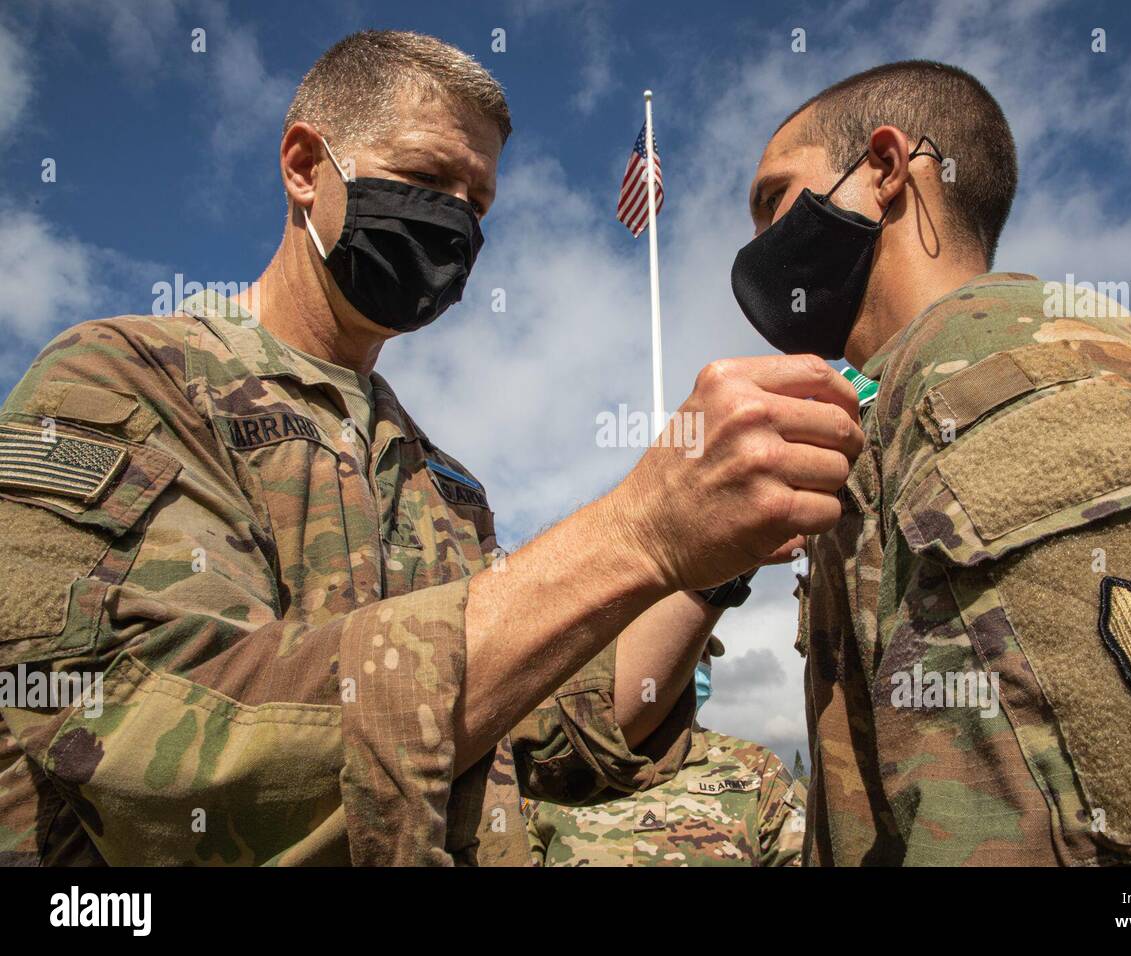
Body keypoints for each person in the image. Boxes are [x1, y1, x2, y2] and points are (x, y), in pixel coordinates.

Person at [0, 31, 863, 866]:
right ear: (305, 168)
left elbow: (556, 731)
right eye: (423, 178)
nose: (451, 220)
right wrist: (637, 530)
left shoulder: (444, 484)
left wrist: (710, 558)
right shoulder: (128, 380)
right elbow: (160, 755)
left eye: (476, 203)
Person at [731, 59, 1131, 865]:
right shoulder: (939, 385)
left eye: (772, 200)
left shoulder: (988, 375)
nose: (758, 246)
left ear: (886, 170)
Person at [526, 635, 805, 866]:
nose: (696, 662)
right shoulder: (558, 771)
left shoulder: (756, 769)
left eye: (703, 655)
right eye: (681, 647)